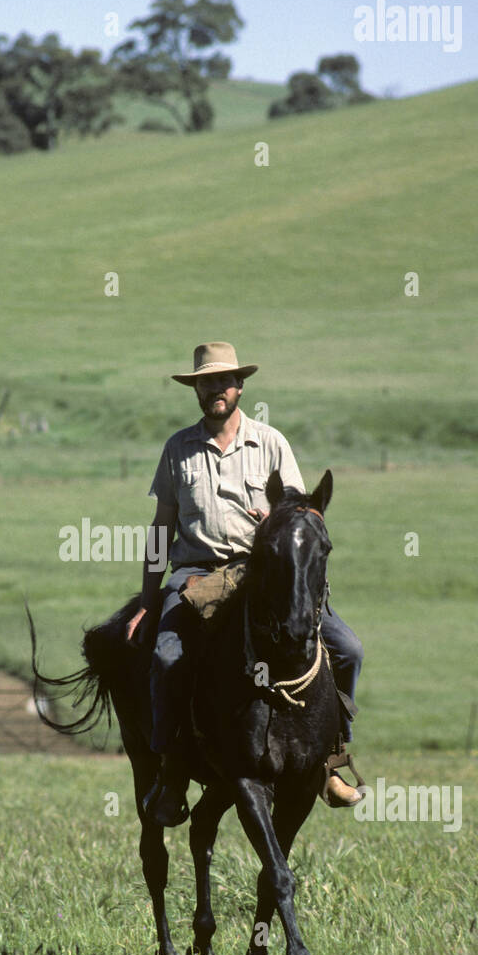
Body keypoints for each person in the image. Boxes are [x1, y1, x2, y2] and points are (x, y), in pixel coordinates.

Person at [126, 342, 364, 828]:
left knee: (347, 649)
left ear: (240, 387)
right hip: (197, 575)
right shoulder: (178, 449)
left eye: (223, 380)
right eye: (206, 381)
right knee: (167, 657)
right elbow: (160, 528)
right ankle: (171, 775)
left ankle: (333, 760)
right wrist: (149, 601)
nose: (215, 388)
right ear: (196, 389)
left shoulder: (272, 442)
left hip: (264, 574)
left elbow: (302, 513)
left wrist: (272, 519)